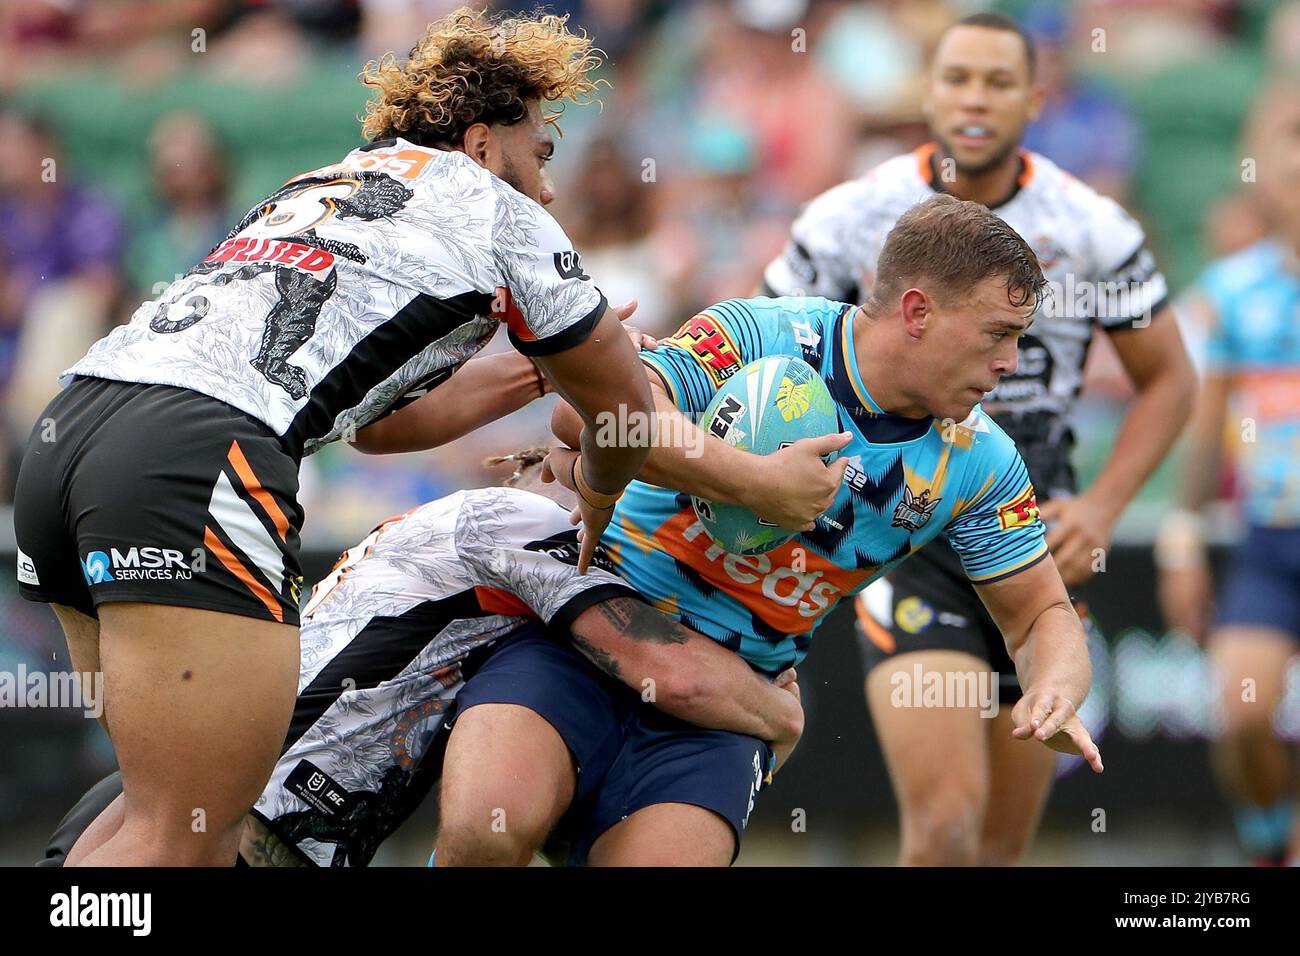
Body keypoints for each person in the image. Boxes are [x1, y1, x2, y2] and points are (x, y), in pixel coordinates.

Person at [12, 5, 653, 867]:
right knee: (189, 835)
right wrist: (602, 502)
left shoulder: (326, 184)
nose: (547, 188)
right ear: (478, 142)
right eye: (539, 154)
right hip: (192, 461)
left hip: (71, 434)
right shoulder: (502, 213)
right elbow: (625, 413)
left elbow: (383, 426)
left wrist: (542, 371)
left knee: (150, 813)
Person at [434, 195, 1103, 867]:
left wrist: (1056, 685)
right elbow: (598, 421)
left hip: (722, 714)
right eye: (999, 333)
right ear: (918, 312)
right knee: (483, 835)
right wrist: (755, 484)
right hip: (580, 637)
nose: (1012, 361)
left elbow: (1041, 612)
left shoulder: (981, 461)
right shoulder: (766, 334)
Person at [760, 11, 1195, 865]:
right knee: (945, 835)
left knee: (1000, 844)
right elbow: (761, 350)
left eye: (999, 82)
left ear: (1036, 98)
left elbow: (1172, 380)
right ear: (928, 90)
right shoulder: (853, 214)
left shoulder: (1092, 226)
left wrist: (1104, 509)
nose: (974, 99)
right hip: (907, 531)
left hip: (1035, 536)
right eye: (957, 77)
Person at [39, 448, 802, 867]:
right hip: (244, 823)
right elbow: (667, 671)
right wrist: (781, 715)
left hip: (175, 799)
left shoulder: (476, 520)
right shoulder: (527, 528)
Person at [1157, 77, 1300, 866]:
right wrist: (1182, 543)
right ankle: (1267, 837)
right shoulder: (1234, 294)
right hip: (1270, 541)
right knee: (1242, 715)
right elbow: (1205, 437)